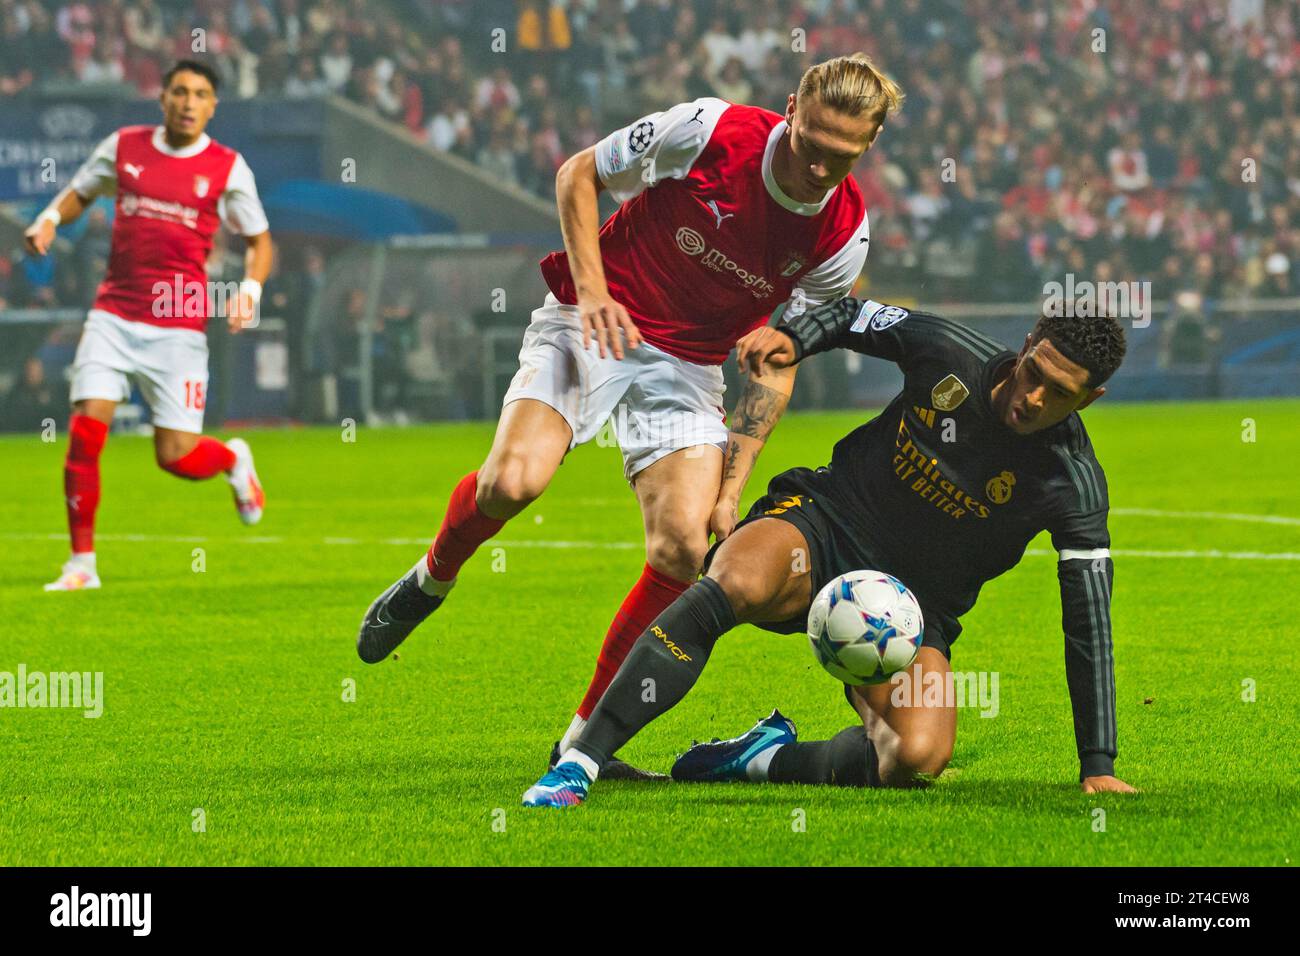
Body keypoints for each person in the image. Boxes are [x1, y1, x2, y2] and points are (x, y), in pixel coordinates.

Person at [355, 55, 903, 776]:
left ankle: (581, 743)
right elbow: (577, 175)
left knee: (681, 551)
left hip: (686, 369)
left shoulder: (842, 237)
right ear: (792, 108)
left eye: (843, 156)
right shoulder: (711, 129)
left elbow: (780, 357)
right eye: (812, 145)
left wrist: (734, 486)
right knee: (512, 485)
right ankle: (432, 577)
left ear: (868, 145)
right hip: (592, 317)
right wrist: (594, 292)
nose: (819, 169)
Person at [522, 297, 1136, 806]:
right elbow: (848, 312)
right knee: (733, 578)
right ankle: (581, 762)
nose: (1033, 398)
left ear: (1090, 399)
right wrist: (795, 336)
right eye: (1034, 373)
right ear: (1027, 344)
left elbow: (1090, 625)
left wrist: (1098, 761)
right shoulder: (948, 351)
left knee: (916, 759)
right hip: (825, 525)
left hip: (913, 612)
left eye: (1058, 394)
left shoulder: (1072, 484)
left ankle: (760, 760)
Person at [23, 59, 272, 592]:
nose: (187, 101)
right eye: (179, 91)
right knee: (86, 434)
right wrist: (47, 218)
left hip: (178, 330)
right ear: (161, 98)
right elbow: (80, 193)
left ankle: (232, 458)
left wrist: (249, 291)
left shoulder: (228, 167)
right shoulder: (124, 147)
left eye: (200, 93)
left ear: (212, 106)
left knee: (175, 457)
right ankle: (81, 566)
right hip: (113, 315)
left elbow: (260, 242)